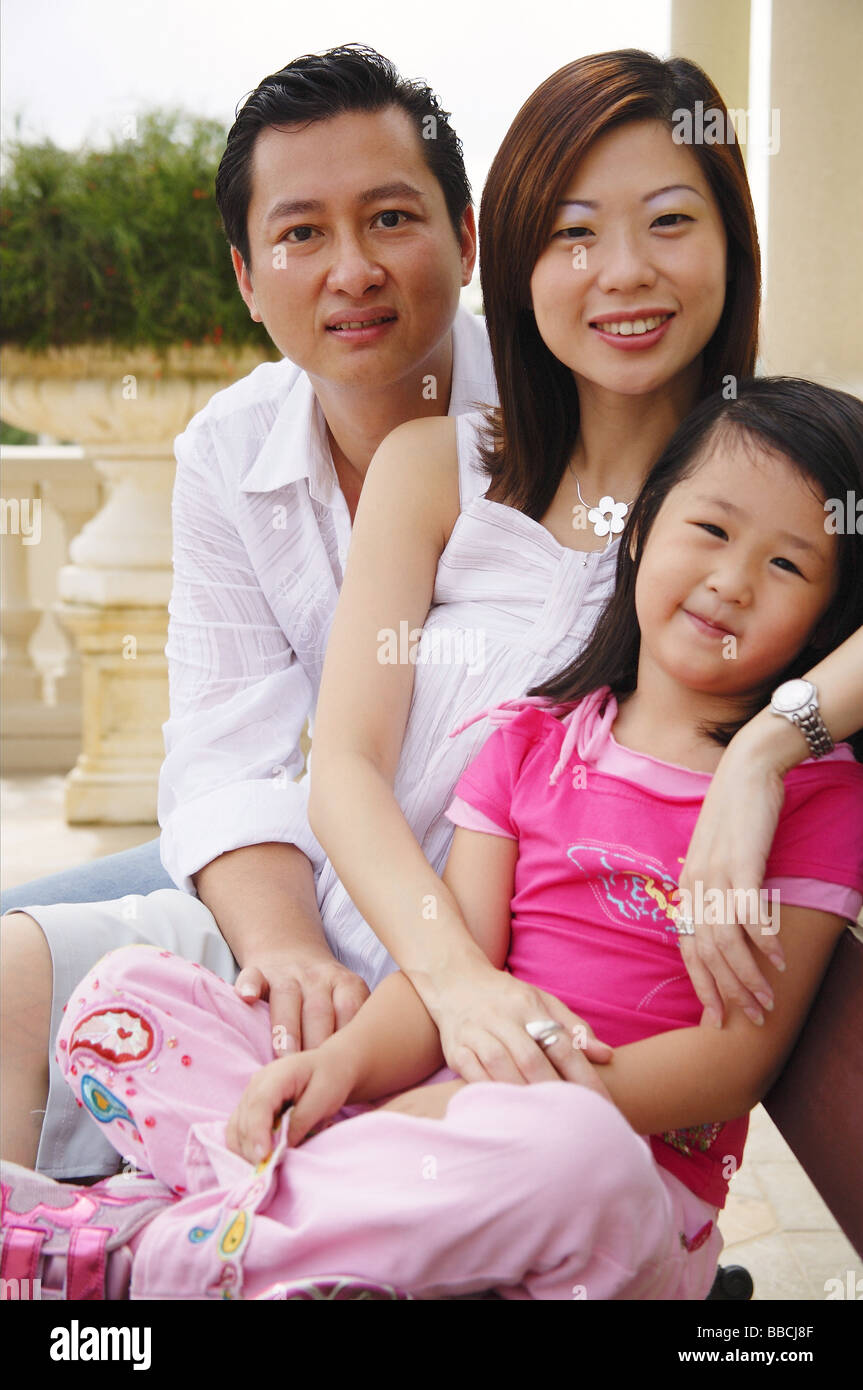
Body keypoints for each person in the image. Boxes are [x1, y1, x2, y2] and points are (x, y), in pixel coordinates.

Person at [4, 376, 862, 1301]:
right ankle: (278, 1215)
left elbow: (732, 1065)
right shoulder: (529, 742)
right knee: (124, 998)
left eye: (787, 566)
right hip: (422, 1135)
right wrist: (333, 1071)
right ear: (642, 529)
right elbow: (444, 974)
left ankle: (152, 1253)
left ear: (829, 618)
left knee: (574, 1153)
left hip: (612, 1189)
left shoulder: (813, 798)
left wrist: (482, 1106)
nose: (732, 582)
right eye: (712, 531)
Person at [0, 43, 495, 1174]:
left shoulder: (553, 429)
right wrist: (288, 950)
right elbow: (227, 756)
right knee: (15, 956)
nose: (351, 268)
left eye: (390, 218)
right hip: (319, 873)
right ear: (245, 275)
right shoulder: (228, 449)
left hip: (478, 904)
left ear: (464, 239)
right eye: (300, 233)